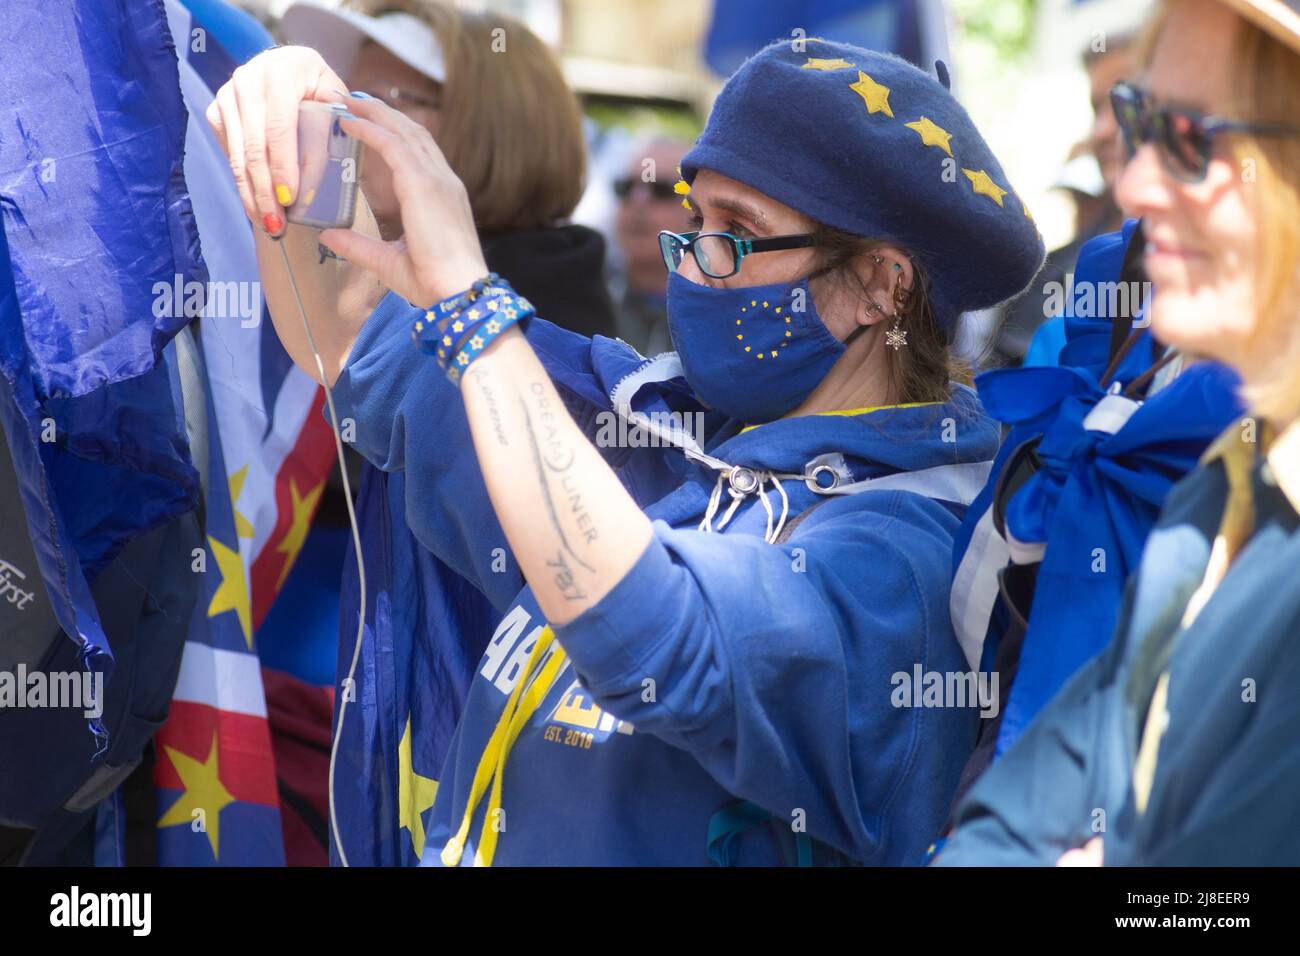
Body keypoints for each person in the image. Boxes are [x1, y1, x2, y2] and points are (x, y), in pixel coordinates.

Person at [209, 38, 1044, 865]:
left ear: (881, 285)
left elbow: (657, 636)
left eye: (736, 232)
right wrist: (304, 126)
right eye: (696, 220)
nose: (692, 267)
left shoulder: (904, 554)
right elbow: (361, 340)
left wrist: (471, 307)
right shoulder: (656, 436)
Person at [938, 0, 1300, 866]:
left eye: (1190, 138)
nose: (1133, 185)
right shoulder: (1230, 488)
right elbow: (1031, 809)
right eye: (1141, 119)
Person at [609, 136, 692, 355]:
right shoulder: (582, 298)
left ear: (700, 212)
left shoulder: (723, 314)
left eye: (661, 190)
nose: (638, 202)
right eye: (626, 188)